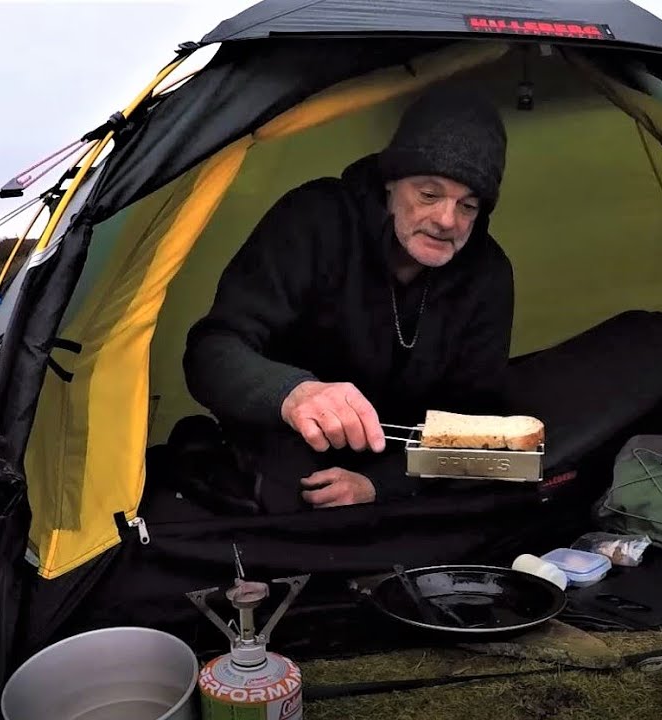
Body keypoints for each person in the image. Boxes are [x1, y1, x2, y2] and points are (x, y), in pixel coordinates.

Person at [183, 83, 515, 514]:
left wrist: (380, 485)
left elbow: (475, 425)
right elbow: (210, 353)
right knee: (286, 500)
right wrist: (294, 393)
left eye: (468, 206)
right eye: (428, 194)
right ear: (390, 183)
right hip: (287, 443)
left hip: (401, 468)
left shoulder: (488, 273)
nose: (446, 220)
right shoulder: (314, 220)